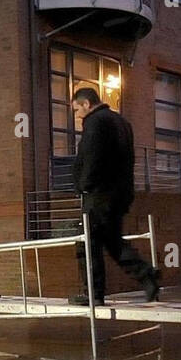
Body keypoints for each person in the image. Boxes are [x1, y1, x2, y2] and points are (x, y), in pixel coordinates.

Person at [70, 87, 161, 306]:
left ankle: (93, 294)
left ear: (86, 104)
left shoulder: (95, 122)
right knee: (112, 241)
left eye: (77, 110)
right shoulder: (121, 122)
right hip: (120, 194)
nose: (77, 115)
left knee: (86, 242)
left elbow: (92, 157)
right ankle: (147, 276)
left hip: (99, 193)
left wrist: (83, 185)